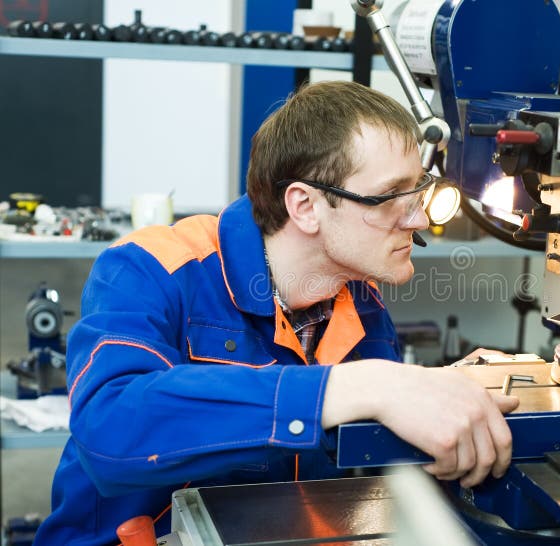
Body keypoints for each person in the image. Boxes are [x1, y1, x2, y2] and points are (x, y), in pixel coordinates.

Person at [34, 80, 519, 545]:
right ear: (305, 206)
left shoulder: (359, 299)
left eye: (420, 192)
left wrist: (442, 397)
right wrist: (361, 386)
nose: (418, 221)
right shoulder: (150, 268)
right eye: (393, 196)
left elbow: (359, 447)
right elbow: (110, 428)